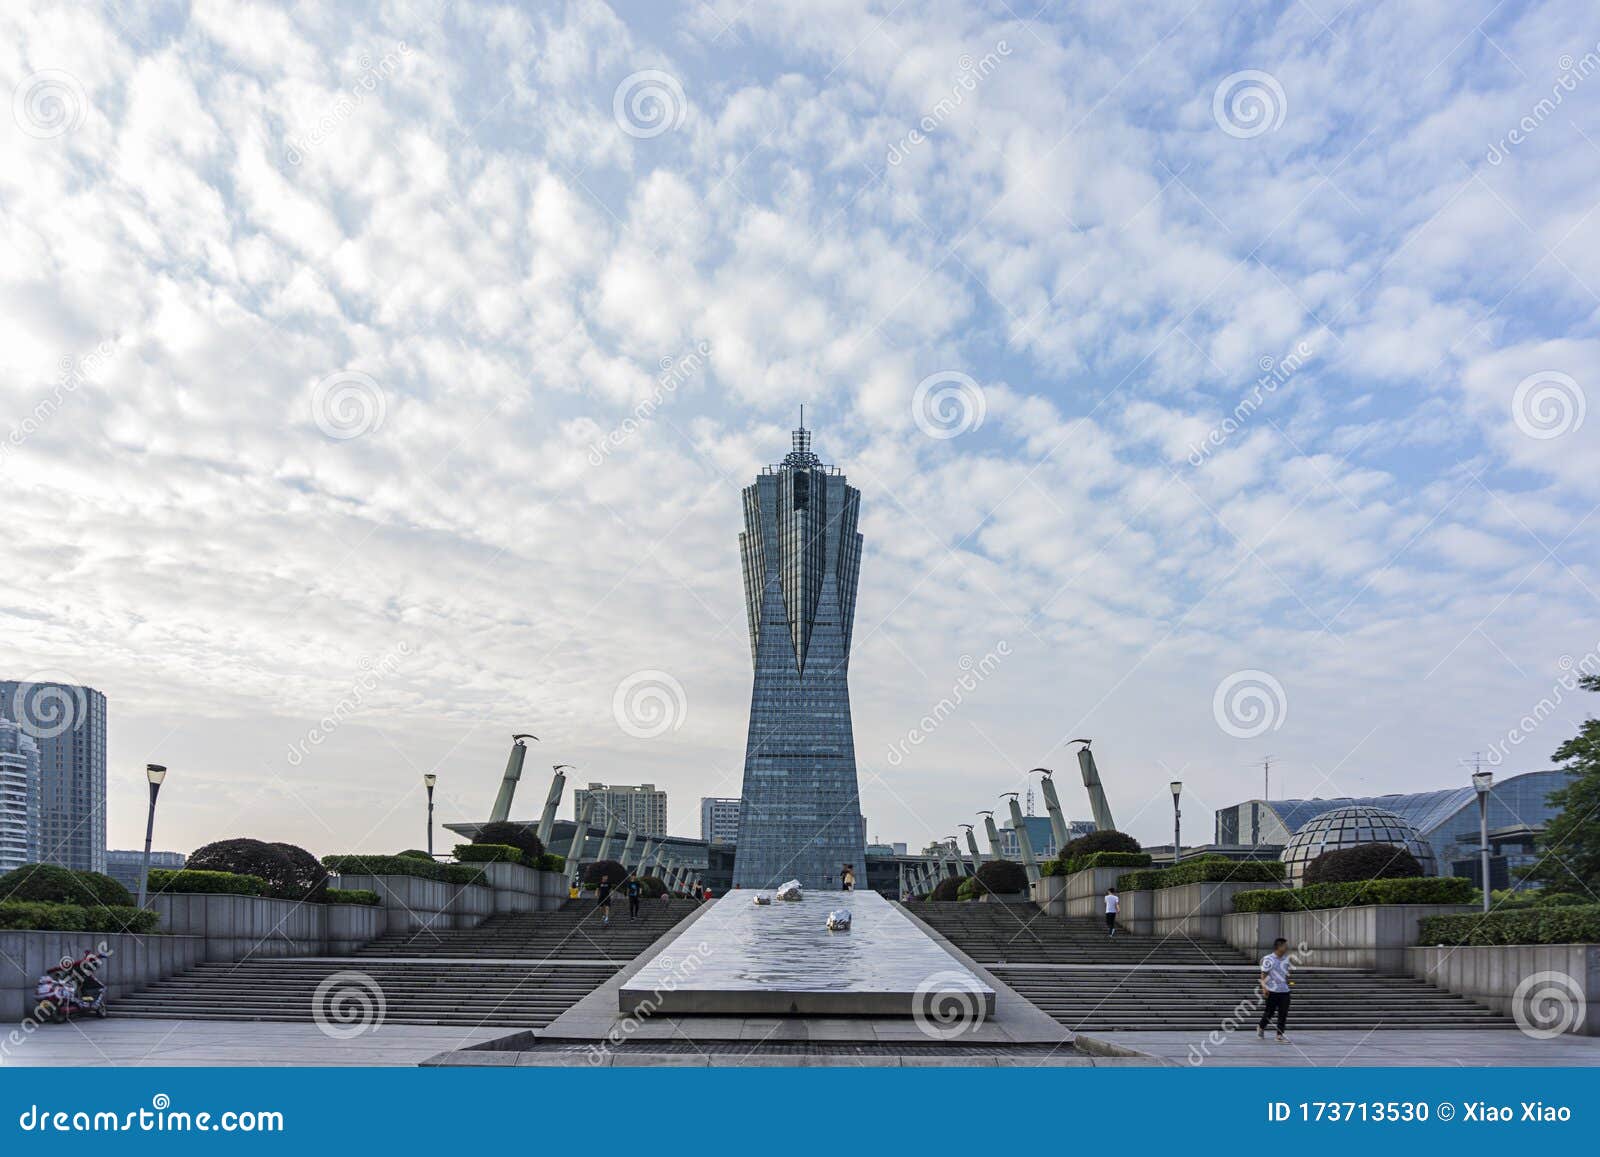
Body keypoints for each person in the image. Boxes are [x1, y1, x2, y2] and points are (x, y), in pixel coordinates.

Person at [1257, 937, 1293, 1042]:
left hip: (1284, 991)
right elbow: (1263, 974)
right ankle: (1261, 1027)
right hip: (1272, 991)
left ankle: (1279, 1035)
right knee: (1269, 1013)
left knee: (1283, 1013)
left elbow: (1286, 973)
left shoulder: (1286, 959)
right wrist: (1264, 988)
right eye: (1285, 945)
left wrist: (1287, 981)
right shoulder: (1268, 959)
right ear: (1279, 946)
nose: (1287, 947)